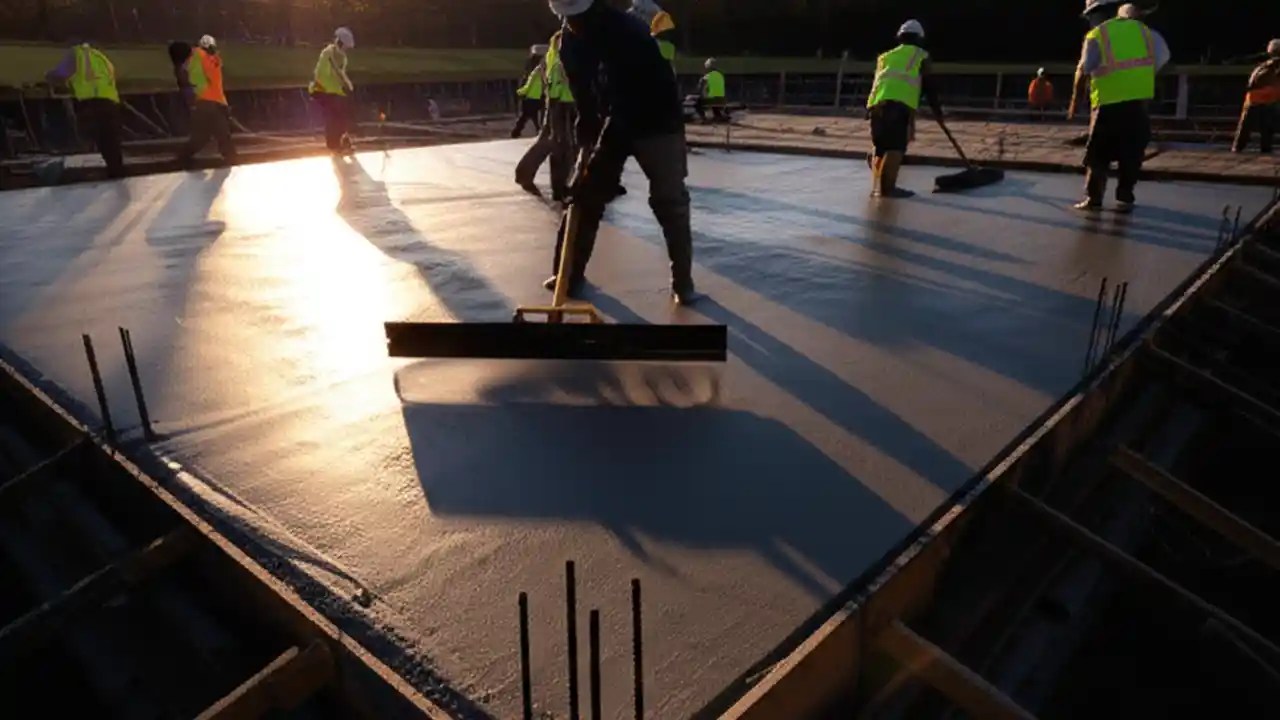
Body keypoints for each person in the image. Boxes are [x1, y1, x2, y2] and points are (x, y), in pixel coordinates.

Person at [544, 0, 700, 306]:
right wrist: (586, 125)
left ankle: (683, 281)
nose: (574, 24)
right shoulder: (570, 42)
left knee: (670, 201)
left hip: (657, 118)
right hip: (617, 118)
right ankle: (567, 276)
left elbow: (650, 87)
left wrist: (607, 133)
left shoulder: (629, 32)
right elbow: (582, 91)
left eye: (579, 18)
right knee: (585, 197)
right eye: (569, 18)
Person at [1068, 1, 1170, 213]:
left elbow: (1085, 69)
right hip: (1137, 105)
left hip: (1107, 104)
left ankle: (1093, 198)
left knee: (1098, 156)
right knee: (1131, 152)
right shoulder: (1146, 33)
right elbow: (1162, 58)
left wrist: (1075, 102)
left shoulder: (1097, 35)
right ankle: (1125, 197)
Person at [866, 19, 942, 199]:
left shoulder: (885, 56)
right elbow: (929, 85)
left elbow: (880, 82)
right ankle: (888, 190)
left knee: (881, 146)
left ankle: (877, 187)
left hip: (876, 105)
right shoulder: (921, 55)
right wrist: (937, 110)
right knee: (895, 147)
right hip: (898, 106)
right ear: (919, 38)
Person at [45, 42, 124, 178]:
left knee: (89, 135)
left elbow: (63, 73)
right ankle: (117, 172)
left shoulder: (76, 52)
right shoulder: (101, 57)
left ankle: (84, 172)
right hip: (111, 101)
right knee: (110, 140)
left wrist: (49, 76)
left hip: (91, 102)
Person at [515, 32, 578, 201]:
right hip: (564, 102)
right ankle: (559, 186)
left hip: (559, 101)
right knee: (561, 146)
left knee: (550, 142)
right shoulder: (565, 53)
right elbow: (558, 78)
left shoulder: (555, 52)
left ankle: (525, 173)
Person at [178, 35, 236, 166]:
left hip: (209, 103)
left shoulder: (206, 58)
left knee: (202, 137)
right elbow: (202, 80)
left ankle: (182, 158)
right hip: (210, 103)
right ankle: (232, 161)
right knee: (223, 135)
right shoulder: (202, 57)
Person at [310, 27, 357, 154]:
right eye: (344, 46)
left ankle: (342, 139)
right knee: (334, 114)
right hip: (321, 89)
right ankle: (334, 144)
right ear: (339, 43)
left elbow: (340, 74)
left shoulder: (341, 57)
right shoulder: (328, 53)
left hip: (333, 90)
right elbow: (324, 74)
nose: (345, 49)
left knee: (341, 113)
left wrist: (346, 85)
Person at [1233, 39, 1280, 154]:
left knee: (1266, 129)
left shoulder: (1265, 66)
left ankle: (1262, 149)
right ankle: (1238, 148)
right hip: (1257, 100)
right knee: (1248, 129)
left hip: (1264, 101)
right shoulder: (1268, 67)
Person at [512, 45, 548, 138]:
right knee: (533, 116)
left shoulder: (533, 70)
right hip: (538, 97)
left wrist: (520, 93)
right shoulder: (540, 70)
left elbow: (527, 84)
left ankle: (517, 132)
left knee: (527, 116)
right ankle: (539, 130)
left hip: (531, 97)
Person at [697, 58, 728, 122]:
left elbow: (700, 87)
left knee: (697, 102)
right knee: (713, 98)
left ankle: (703, 118)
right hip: (722, 100)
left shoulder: (708, 76)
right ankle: (718, 116)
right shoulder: (720, 75)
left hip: (713, 100)